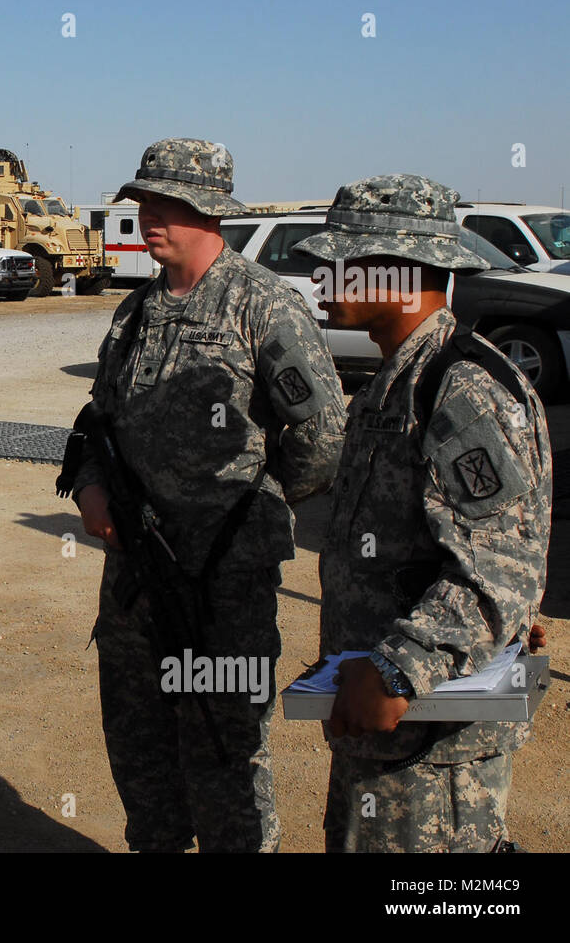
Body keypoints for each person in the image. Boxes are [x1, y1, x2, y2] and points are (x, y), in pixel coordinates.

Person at [68, 139, 346, 852]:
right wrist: (93, 492)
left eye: (165, 204)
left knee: (224, 750)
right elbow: (95, 420)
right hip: (134, 577)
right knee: (139, 747)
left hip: (222, 584)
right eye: (143, 203)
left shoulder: (262, 305)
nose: (145, 217)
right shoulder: (135, 313)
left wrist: (249, 514)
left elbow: (320, 435)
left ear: (208, 209)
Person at [290, 174, 553, 852]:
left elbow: (500, 567)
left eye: (338, 262)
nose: (320, 276)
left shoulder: (457, 387)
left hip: (432, 747)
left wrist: (398, 668)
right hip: (390, 731)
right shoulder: (395, 381)